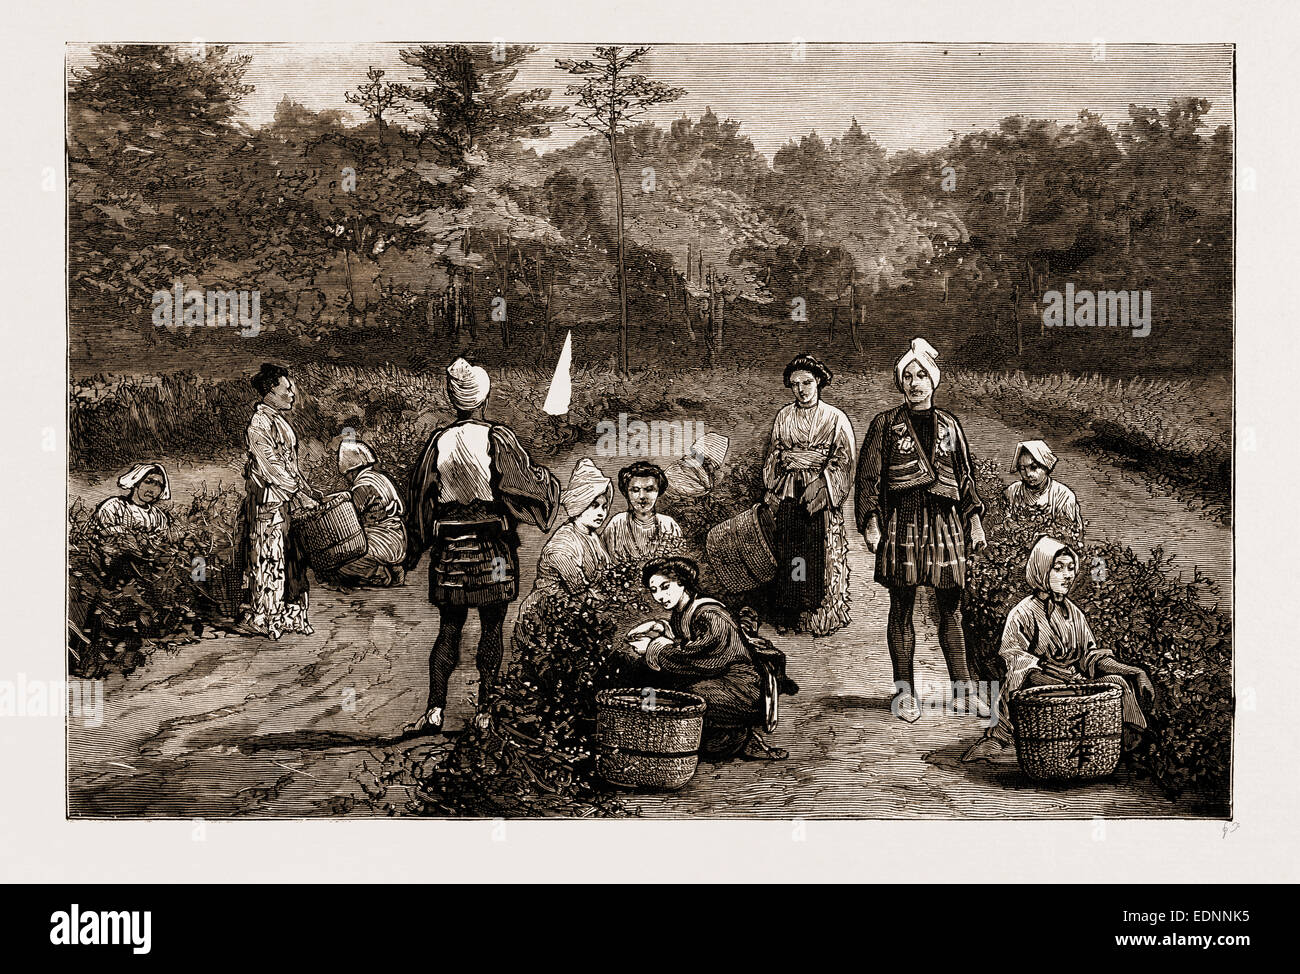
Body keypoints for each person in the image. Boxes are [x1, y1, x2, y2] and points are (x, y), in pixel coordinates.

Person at [405, 358, 561, 735]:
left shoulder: (437, 443)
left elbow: (420, 500)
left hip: (451, 551)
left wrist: (417, 546)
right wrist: (545, 483)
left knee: (448, 629)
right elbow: (524, 486)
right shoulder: (498, 437)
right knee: (493, 628)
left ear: (452, 398)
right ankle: (486, 711)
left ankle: (435, 711)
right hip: (492, 547)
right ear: (484, 397)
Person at [855, 338, 987, 723]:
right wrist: (872, 522)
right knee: (901, 608)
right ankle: (905, 694)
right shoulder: (885, 423)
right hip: (904, 519)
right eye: (908, 376)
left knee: (951, 610)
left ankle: (963, 692)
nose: (916, 383)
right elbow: (868, 477)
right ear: (901, 384)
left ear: (934, 381)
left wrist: (974, 520)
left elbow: (965, 478)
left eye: (922, 375)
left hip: (945, 523)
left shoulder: (950, 424)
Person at [962, 536, 1156, 762]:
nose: (1068, 575)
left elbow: (1090, 656)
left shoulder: (1074, 613)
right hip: (1038, 688)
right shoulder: (1023, 612)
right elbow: (1018, 663)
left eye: (1071, 568)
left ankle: (1121, 745)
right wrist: (1061, 682)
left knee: (1119, 683)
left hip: (1073, 683)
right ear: (1042, 570)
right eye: (1058, 568)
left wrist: (1134, 671)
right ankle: (1005, 739)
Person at [627, 557, 787, 761]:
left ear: (682, 583)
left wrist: (653, 648)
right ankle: (732, 737)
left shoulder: (710, 614)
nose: (659, 596)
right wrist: (660, 627)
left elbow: (702, 657)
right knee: (704, 742)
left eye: (665, 586)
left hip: (743, 687)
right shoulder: (681, 613)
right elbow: (685, 647)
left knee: (688, 699)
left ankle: (742, 737)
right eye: (654, 590)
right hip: (720, 681)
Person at [761, 354, 857, 636]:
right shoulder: (784, 416)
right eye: (795, 384)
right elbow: (774, 454)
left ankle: (818, 615)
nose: (801, 389)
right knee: (792, 553)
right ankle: (791, 612)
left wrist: (823, 483)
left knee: (818, 553)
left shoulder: (835, 417)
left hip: (820, 493)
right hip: (790, 489)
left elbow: (844, 459)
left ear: (818, 383)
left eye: (806, 382)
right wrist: (777, 476)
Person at [235, 364, 321, 640]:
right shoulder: (258, 424)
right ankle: (266, 616)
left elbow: (291, 466)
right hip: (267, 504)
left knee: (292, 557)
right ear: (270, 389)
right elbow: (272, 468)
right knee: (268, 558)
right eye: (287, 388)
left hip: (286, 503)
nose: (293, 394)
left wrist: (308, 489)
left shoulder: (280, 422)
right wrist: (299, 494)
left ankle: (290, 615)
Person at [514, 458, 613, 635]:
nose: (601, 513)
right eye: (594, 505)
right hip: (544, 619)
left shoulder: (591, 535)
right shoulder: (563, 544)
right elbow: (580, 590)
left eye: (604, 507)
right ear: (580, 505)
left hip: (574, 614)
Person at [324, 440, 407, 587]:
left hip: (380, 542)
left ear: (352, 470)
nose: (347, 479)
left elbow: (349, 517)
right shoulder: (380, 479)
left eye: (347, 475)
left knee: (337, 565)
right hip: (397, 538)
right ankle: (394, 568)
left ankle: (378, 572)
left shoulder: (363, 486)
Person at [90, 462, 172, 563]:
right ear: (136, 482)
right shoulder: (114, 506)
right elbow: (102, 536)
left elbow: (160, 541)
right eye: (148, 481)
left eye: (159, 485)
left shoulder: (159, 516)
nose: (152, 489)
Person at [602, 460, 682, 561]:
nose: (642, 496)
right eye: (635, 490)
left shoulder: (669, 525)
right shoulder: (616, 524)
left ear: (659, 491)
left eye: (649, 489)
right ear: (626, 492)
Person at [1004, 439, 1083, 532]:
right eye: (1022, 468)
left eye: (1033, 467)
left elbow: (1069, 533)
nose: (1028, 474)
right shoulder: (1012, 491)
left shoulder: (1063, 496)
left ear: (1046, 467)